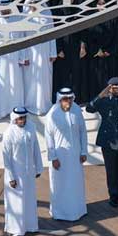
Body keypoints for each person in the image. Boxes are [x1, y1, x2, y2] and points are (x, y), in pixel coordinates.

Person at [86, 76, 118, 207]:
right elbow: (89, 108)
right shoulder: (104, 101)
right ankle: (113, 195)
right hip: (109, 141)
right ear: (110, 88)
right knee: (111, 170)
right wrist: (101, 94)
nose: (117, 90)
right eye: (114, 88)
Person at [45, 87, 87, 221]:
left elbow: (83, 132)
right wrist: (53, 157)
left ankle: (77, 211)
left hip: (75, 156)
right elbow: (48, 137)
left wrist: (84, 151)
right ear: (59, 100)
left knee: (75, 184)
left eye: (70, 98)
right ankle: (60, 213)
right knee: (60, 185)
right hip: (60, 157)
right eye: (65, 99)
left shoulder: (77, 111)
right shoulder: (52, 114)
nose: (68, 101)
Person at [2, 107, 42, 236]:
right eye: (19, 118)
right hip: (16, 173)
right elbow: (6, 158)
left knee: (29, 199)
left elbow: (36, 148)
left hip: (29, 171)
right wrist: (10, 177)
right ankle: (16, 229)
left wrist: (38, 168)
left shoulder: (31, 127)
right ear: (14, 119)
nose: (22, 120)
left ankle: (31, 226)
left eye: (24, 117)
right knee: (16, 201)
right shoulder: (9, 133)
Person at [0, 0, 24, 118]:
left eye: (7, 6)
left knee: (15, 83)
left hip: (15, 56)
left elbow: (22, 41)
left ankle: (14, 108)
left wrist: (22, 58)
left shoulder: (17, 19)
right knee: (1, 85)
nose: (5, 9)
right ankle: (1, 110)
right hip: (0, 59)